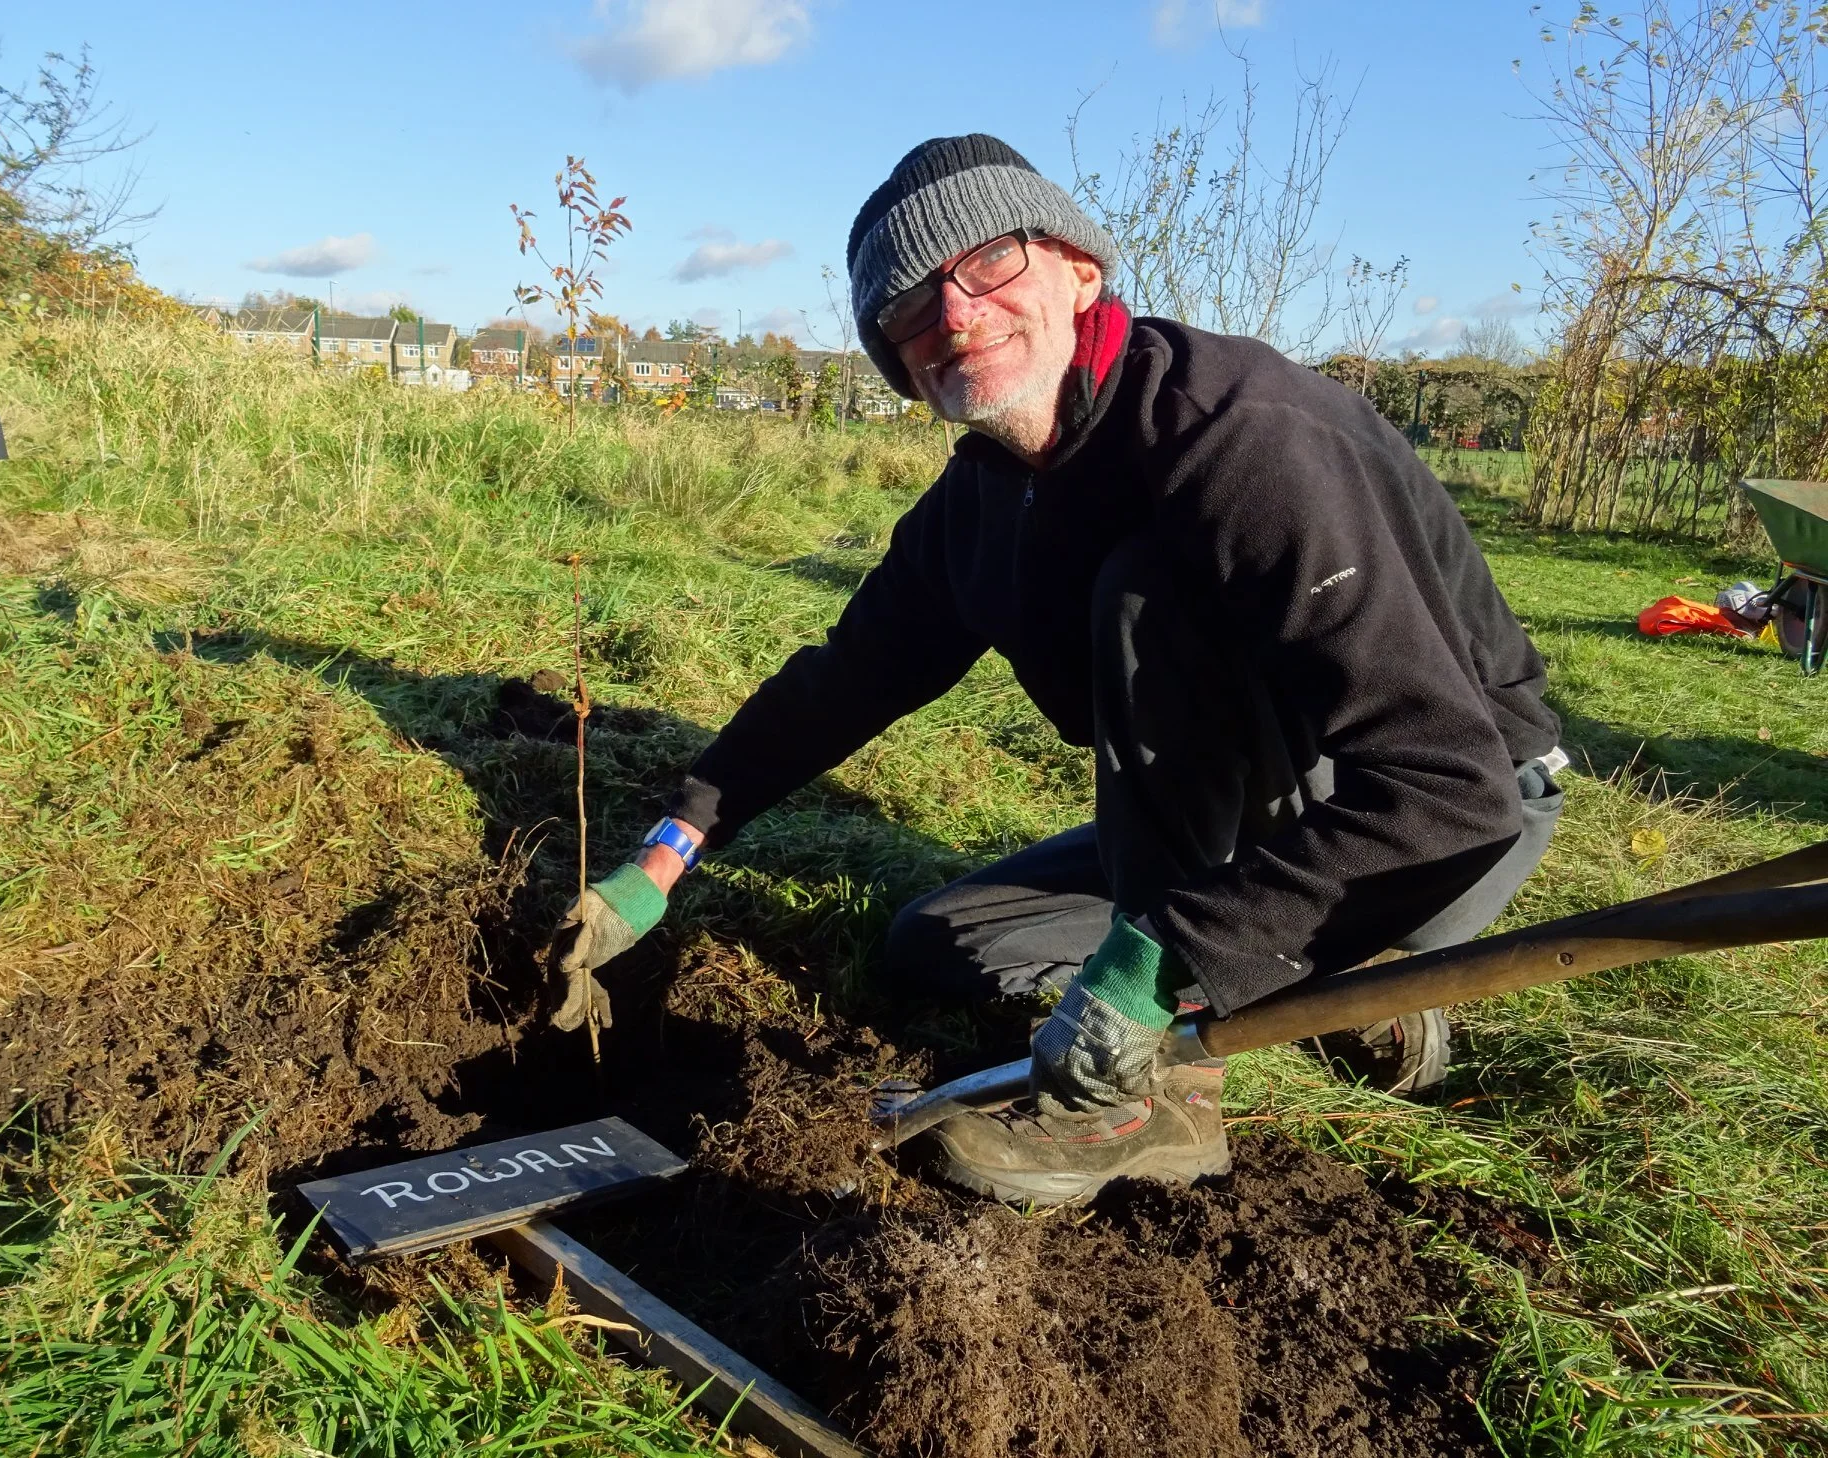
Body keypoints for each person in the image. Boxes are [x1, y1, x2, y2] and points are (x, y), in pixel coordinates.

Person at [544, 134, 1565, 1206]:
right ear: (894, 360)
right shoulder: (985, 499)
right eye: (907, 309)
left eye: (988, 263)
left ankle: (1153, 1096)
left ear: (1081, 270)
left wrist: (1143, 971)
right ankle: (1339, 975)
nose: (954, 314)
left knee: (1141, 598)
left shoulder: (1243, 440)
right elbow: (844, 679)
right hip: (1254, 828)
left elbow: (1449, 784)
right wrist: (662, 858)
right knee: (941, 943)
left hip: (1435, 818)